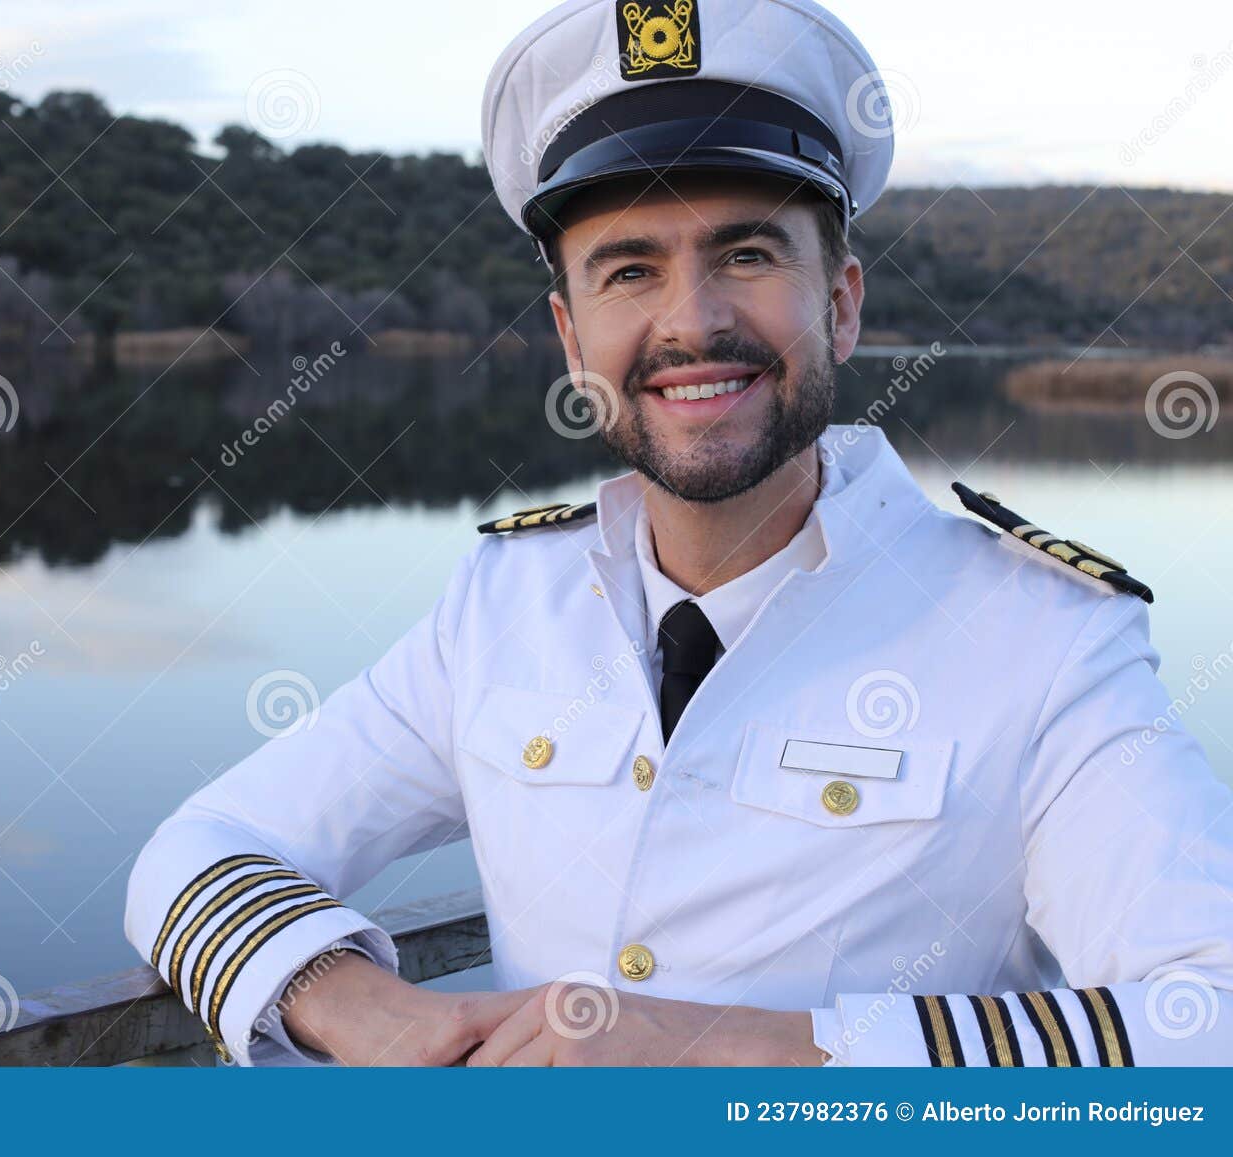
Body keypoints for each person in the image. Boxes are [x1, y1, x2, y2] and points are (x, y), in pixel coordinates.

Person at [124, 0, 1233, 1066]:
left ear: (841, 303)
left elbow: (1210, 1017)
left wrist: (725, 1054)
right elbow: (199, 847)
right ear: (570, 334)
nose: (692, 321)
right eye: (629, 270)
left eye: (747, 256)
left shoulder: (1038, 635)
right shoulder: (506, 604)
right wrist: (362, 1009)